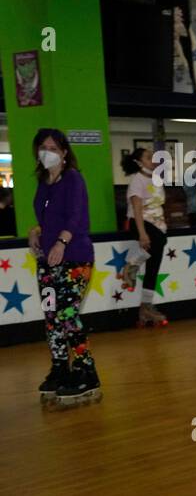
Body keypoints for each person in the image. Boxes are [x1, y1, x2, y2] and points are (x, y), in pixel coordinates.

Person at [30, 129, 101, 408]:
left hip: (74, 259)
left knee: (67, 313)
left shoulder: (73, 179)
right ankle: (61, 366)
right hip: (47, 262)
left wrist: (61, 241)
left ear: (64, 152)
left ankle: (86, 371)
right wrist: (37, 230)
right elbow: (45, 217)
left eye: (52, 147)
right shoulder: (43, 183)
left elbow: (76, 215)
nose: (46, 152)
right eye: (42, 147)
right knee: (51, 314)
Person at [120, 148, 169, 327]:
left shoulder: (157, 179)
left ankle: (146, 307)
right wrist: (142, 234)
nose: (153, 160)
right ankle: (132, 264)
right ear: (139, 162)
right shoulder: (137, 180)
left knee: (154, 265)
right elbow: (137, 208)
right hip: (139, 222)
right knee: (160, 242)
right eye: (149, 157)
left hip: (157, 225)